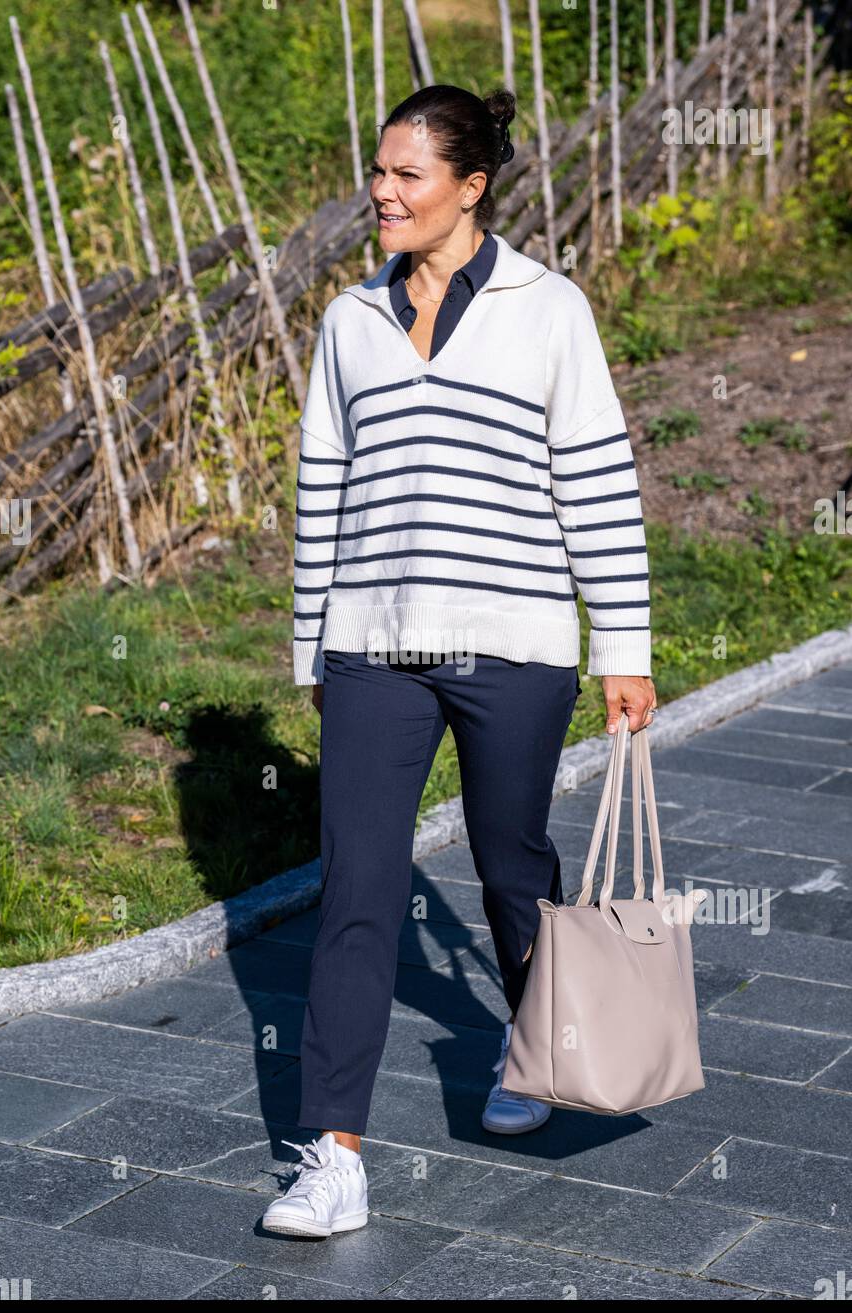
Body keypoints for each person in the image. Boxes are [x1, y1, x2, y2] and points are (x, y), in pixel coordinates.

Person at [264, 84, 657, 1239]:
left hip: (517, 646)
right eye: (376, 173)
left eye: (406, 176)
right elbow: (320, 491)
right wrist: (313, 645)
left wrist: (622, 648)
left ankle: (532, 1055)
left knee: (511, 865)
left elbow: (595, 485)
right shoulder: (350, 321)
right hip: (375, 648)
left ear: (470, 187)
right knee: (357, 888)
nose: (379, 194)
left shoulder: (549, 309)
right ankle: (331, 1154)